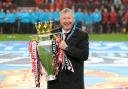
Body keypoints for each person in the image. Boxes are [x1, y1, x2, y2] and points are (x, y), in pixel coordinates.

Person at [48, 8, 89, 89]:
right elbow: (48, 55)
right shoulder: (53, 33)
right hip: (55, 83)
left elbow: (84, 55)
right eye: (64, 18)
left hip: (73, 83)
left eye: (69, 18)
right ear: (60, 20)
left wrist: (67, 48)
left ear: (73, 19)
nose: (66, 21)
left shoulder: (82, 35)